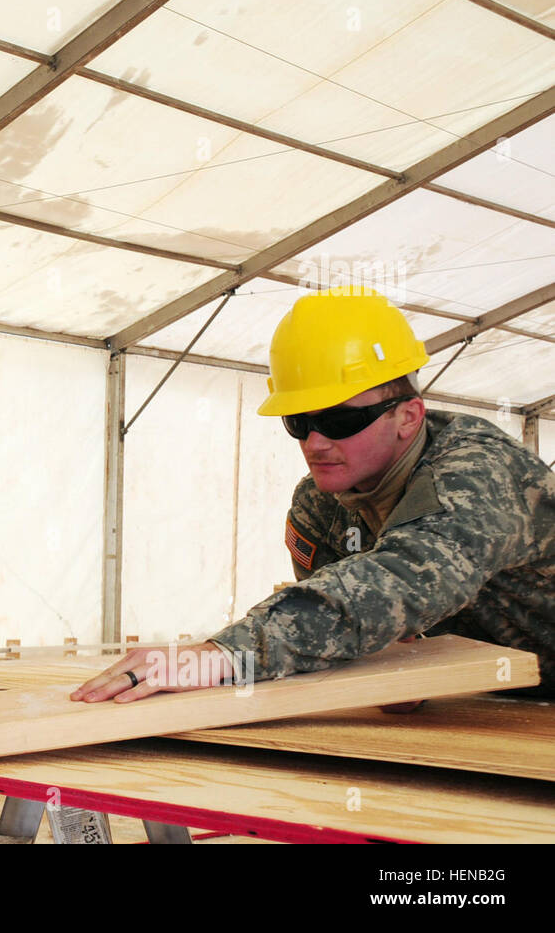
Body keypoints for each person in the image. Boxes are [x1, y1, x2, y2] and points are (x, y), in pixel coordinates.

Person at [73, 287, 555, 705]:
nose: (315, 443)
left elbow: (400, 580)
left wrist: (223, 654)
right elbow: (351, 622)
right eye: (298, 422)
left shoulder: (477, 473)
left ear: (408, 417)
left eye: (339, 421)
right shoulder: (320, 504)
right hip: (495, 699)